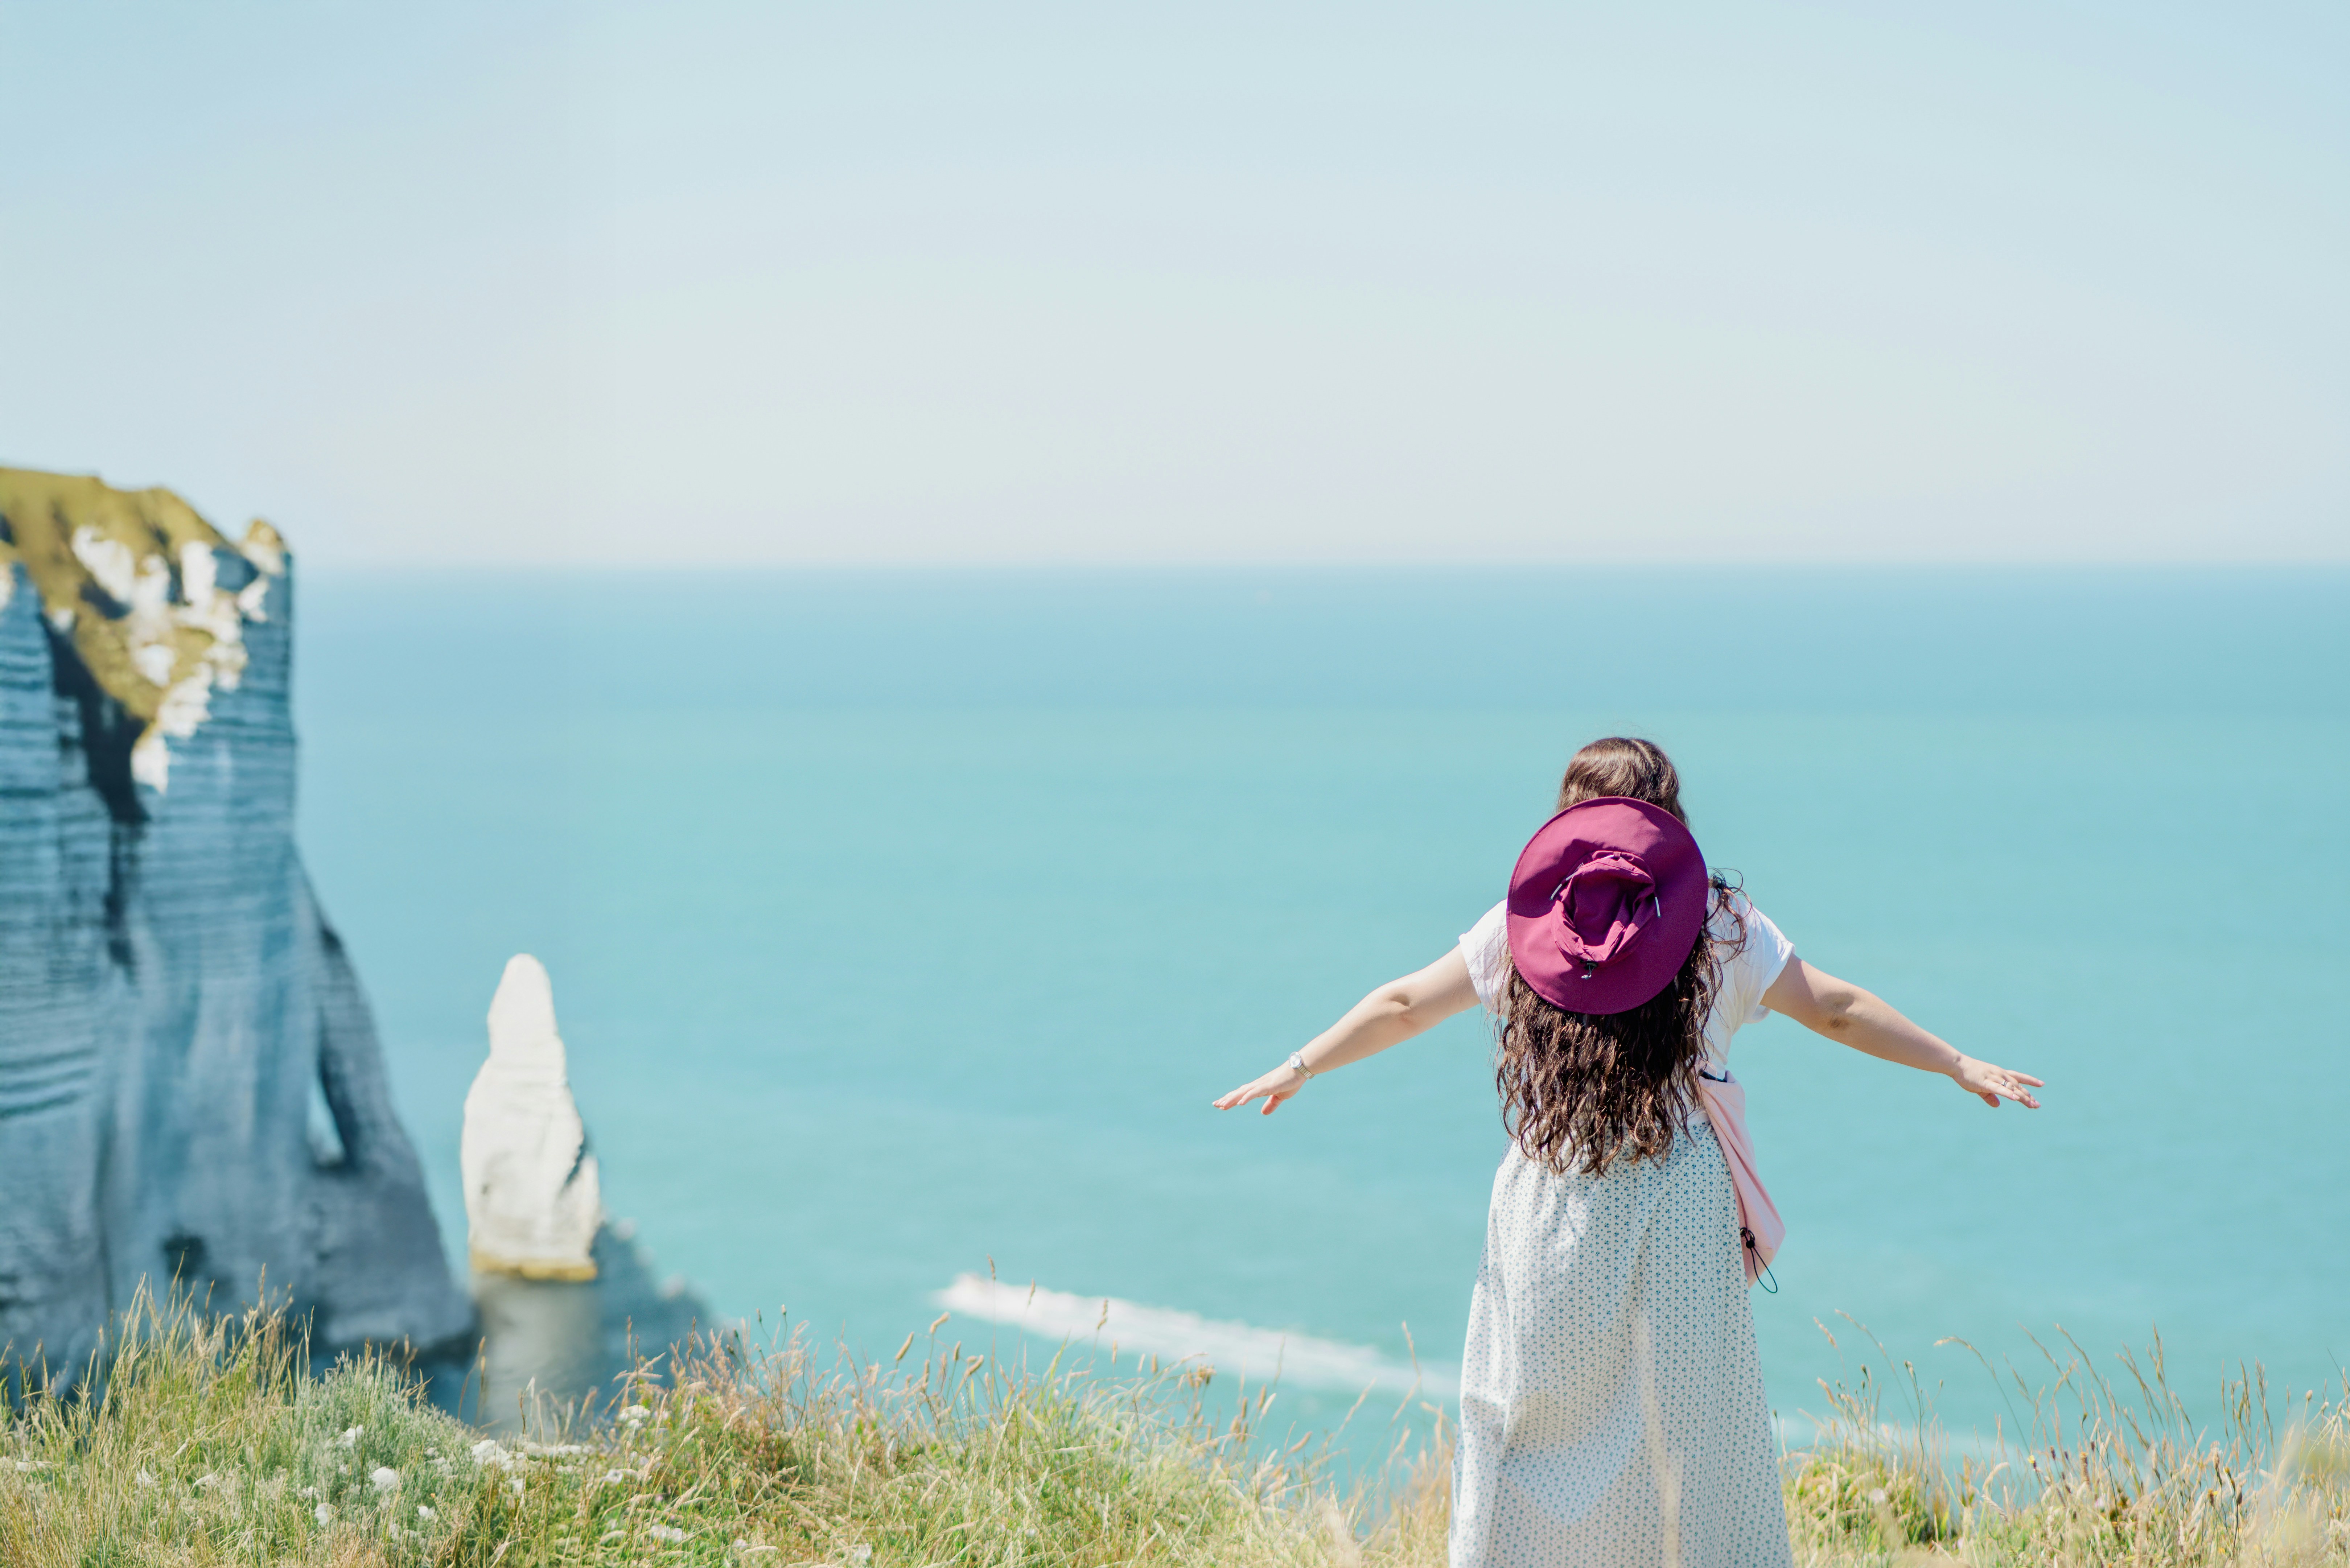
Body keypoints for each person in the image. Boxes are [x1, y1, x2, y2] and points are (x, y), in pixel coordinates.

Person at [1213, 736, 2042, 1568]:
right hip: (1682, 1203)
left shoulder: (1528, 923)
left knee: (1526, 1416)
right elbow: (1837, 1007)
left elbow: (1401, 1004)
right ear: (1670, 822)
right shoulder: (1723, 925)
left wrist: (1300, 1063)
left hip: (1552, 1202)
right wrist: (1954, 1060)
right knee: (1683, 1441)